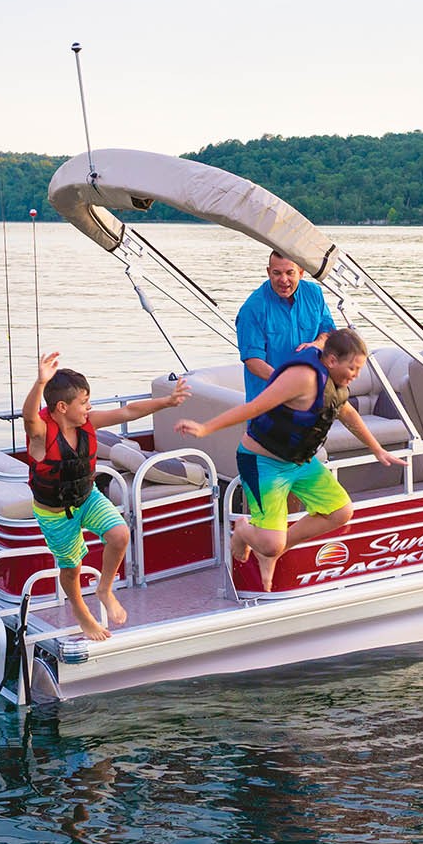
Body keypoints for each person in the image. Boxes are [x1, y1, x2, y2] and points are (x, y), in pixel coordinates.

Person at [174, 328, 404, 591]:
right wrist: (206, 429)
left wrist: (377, 449)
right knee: (271, 541)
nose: (356, 375)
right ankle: (243, 530)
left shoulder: (336, 383)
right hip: (262, 463)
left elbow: (348, 413)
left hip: (299, 463)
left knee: (340, 511)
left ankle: (271, 553)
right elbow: (254, 407)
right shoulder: (302, 378)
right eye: (353, 368)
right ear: (331, 361)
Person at [24, 352, 191, 640]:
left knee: (120, 534)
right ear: (62, 407)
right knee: (71, 568)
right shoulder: (41, 435)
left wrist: (167, 402)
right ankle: (79, 609)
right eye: (84, 402)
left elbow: (127, 412)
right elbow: (28, 416)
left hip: (87, 497)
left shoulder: (87, 424)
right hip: (55, 511)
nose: (89, 407)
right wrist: (40, 383)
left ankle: (104, 588)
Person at [236, 251, 338, 402]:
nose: (283, 280)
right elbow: (253, 361)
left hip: (311, 400)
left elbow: (329, 332)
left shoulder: (315, 293)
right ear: (268, 272)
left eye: (290, 273)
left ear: (301, 272)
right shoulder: (252, 309)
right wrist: (285, 383)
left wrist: (317, 344)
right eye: (277, 273)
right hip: (267, 405)